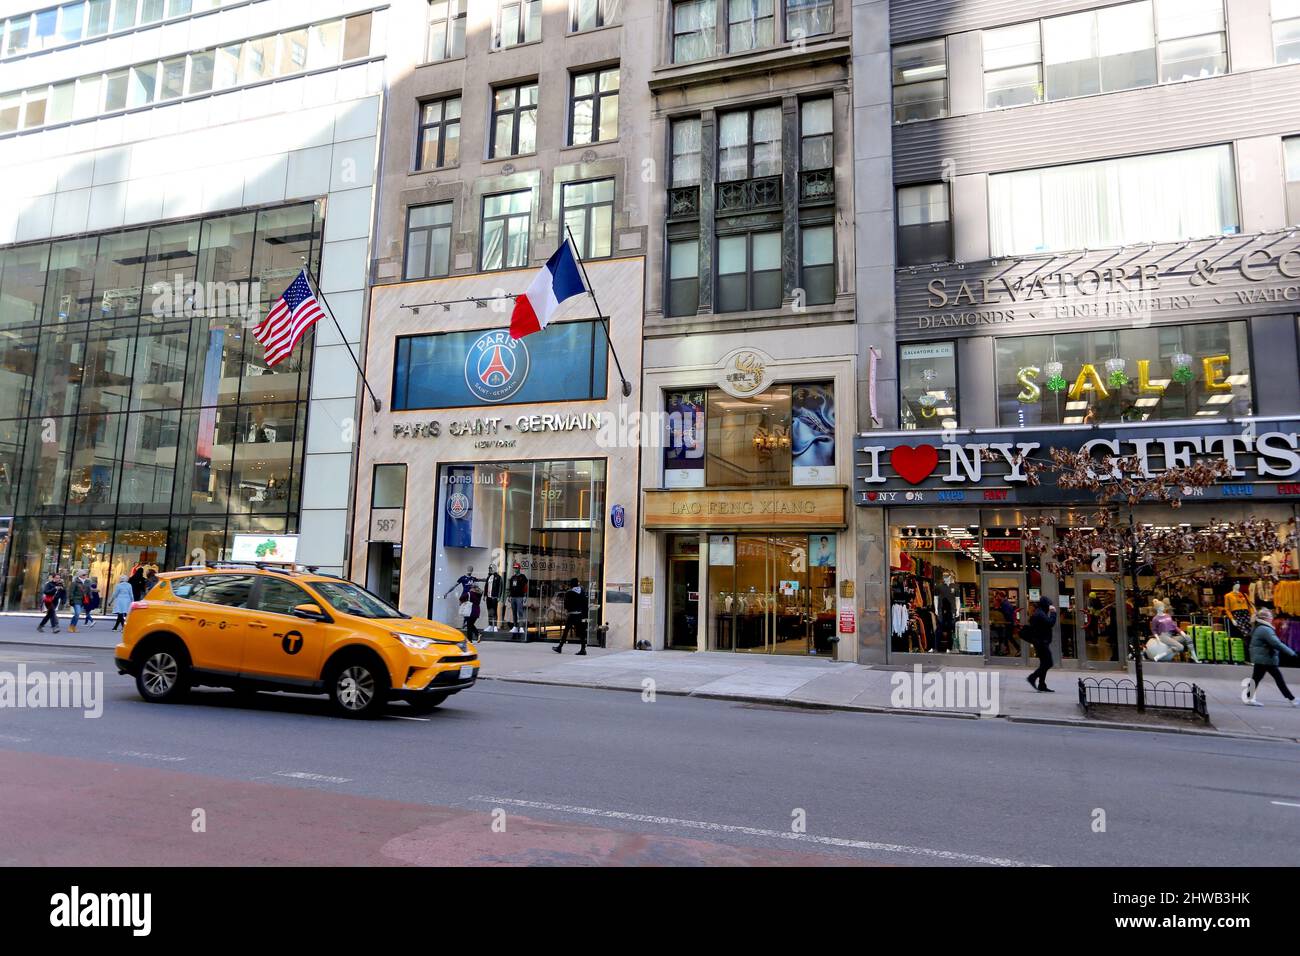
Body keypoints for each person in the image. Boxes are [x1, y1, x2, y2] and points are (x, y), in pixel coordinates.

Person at [1245, 609, 1298, 707]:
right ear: (1265, 618)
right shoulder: (1265, 629)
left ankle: (1249, 698)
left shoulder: (1261, 627)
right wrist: (1292, 653)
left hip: (1263, 657)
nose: (1272, 618)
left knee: (1257, 678)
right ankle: (1292, 699)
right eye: (1270, 616)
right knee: (1278, 679)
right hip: (1265, 658)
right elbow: (1276, 643)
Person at [1024, 596, 1058, 692]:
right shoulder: (1040, 614)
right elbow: (1050, 623)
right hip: (1041, 643)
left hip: (1041, 642)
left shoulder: (1039, 612)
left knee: (1044, 663)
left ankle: (1042, 684)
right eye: (1049, 605)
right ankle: (1032, 677)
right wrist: (1053, 613)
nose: (1050, 607)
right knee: (1048, 663)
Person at [554, 579, 589, 655]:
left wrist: (568, 610)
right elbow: (585, 603)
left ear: (571, 584)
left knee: (566, 631)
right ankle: (583, 649)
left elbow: (566, 605)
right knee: (581, 632)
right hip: (580, 614)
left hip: (572, 614)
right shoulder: (582, 592)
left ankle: (560, 647)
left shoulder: (569, 592)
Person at [507, 562, 528, 634]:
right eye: (514, 568)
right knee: (514, 612)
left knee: (520, 612)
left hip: (520, 597)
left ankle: (521, 627)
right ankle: (515, 626)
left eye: (517, 568)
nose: (515, 569)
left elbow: (525, 587)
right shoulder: (512, 578)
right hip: (513, 597)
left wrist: (525, 595)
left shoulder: (523, 577)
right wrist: (509, 596)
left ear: (519, 568)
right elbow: (510, 588)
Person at [484, 565, 503, 630]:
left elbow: (500, 587)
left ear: (494, 569)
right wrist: (484, 595)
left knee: (494, 611)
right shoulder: (488, 577)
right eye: (489, 568)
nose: (490, 570)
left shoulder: (498, 577)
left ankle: (495, 626)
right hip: (488, 597)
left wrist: (499, 596)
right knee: (489, 611)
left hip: (494, 597)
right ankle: (490, 625)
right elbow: (486, 586)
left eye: (491, 568)